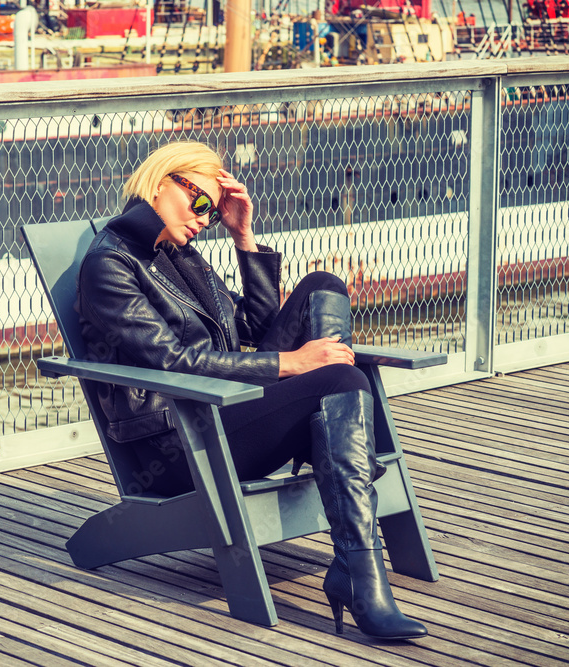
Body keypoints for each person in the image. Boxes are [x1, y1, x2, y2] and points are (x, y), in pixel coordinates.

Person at [76, 141, 427, 640]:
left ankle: (355, 558)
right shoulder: (110, 265)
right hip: (181, 443)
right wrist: (293, 363)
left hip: (227, 417)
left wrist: (243, 237)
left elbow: (255, 329)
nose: (204, 218)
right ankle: (357, 557)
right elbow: (171, 361)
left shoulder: (180, 255)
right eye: (200, 203)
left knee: (324, 285)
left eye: (212, 213)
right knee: (343, 382)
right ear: (161, 183)